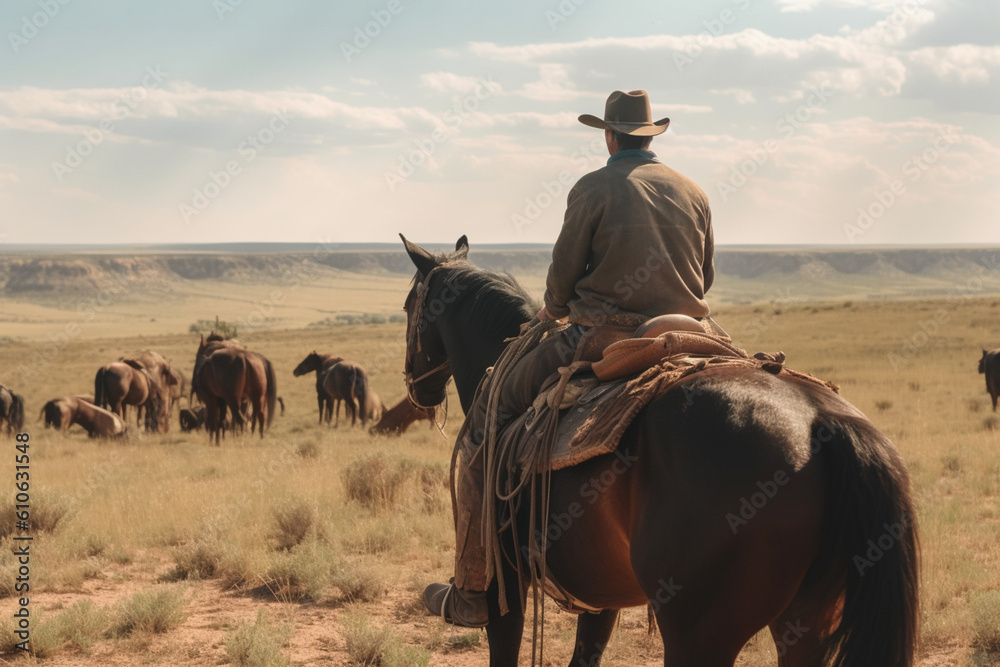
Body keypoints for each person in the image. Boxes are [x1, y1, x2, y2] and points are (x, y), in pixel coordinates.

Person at [422, 89, 715, 627]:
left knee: (484, 420)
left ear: (608, 135)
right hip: (692, 332)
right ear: (651, 135)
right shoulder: (693, 191)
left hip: (603, 337)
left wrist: (553, 310)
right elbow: (706, 277)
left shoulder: (593, 187)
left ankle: (472, 587)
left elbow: (560, 282)